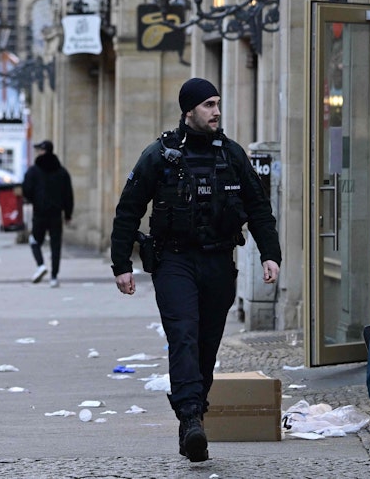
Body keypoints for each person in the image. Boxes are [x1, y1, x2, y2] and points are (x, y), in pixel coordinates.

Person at [109, 78, 281, 463]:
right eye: (208, 105)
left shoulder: (232, 155)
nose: (216, 111)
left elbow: (258, 208)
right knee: (183, 335)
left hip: (219, 261)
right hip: (174, 260)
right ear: (189, 110)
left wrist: (271, 254)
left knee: (206, 344)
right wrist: (122, 264)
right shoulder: (160, 155)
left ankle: (194, 415)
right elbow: (128, 209)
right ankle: (190, 420)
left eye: (217, 103)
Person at [22, 139, 74, 287]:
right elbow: (68, 194)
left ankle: (40, 265)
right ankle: (54, 277)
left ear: (43, 151)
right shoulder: (62, 171)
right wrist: (68, 214)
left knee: (34, 240)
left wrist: (34, 200)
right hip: (56, 213)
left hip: (40, 212)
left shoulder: (34, 171)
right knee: (55, 245)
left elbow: (27, 190)